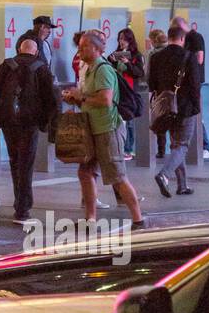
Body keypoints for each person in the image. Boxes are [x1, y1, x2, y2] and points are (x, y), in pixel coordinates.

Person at [61, 30, 143, 226]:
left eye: (84, 47)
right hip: (93, 129)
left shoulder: (103, 69)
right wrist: (77, 100)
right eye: (79, 47)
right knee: (85, 172)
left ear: (97, 49)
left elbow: (105, 100)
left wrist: (80, 97)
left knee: (117, 176)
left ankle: (138, 220)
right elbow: (91, 100)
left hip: (108, 130)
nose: (79, 51)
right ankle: (90, 218)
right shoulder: (89, 70)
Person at [0, 38, 57, 224]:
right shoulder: (41, 67)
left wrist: (3, 115)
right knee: (26, 163)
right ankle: (23, 208)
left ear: (19, 49)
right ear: (35, 52)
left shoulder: (6, 65)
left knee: (14, 161)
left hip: (10, 122)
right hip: (30, 122)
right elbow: (51, 98)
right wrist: (44, 122)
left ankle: (19, 201)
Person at [149, 23, 202, 198]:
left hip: (166, 106)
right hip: (185, 107)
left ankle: (182, 185)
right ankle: (164, 175)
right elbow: (195, 84)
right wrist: (196, 106)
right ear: (182, 38)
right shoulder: (189, 56)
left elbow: (151, 84)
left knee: (175, 145)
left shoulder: (156, 57)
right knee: (182, 145)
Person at [173, 17, 209, 159]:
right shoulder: (185, 39)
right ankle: (196, 146)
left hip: (195, 81)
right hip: (186, 81)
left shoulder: (195, 37)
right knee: (190, 114)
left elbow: (199, 58)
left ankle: (205, 146)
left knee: (196, 114)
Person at [109, 28, 145, 158]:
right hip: (117, 90)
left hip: (129, 90)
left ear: (130, 40)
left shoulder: (136, 55)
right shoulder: (115, 53)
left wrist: (128, 64)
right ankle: (119, 146)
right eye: (120, 39)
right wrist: (113, 61)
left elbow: (139, 73)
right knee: (118, 119)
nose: (121, 41)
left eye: (124, 39)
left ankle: (128, 149)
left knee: (128, 119)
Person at [146, 28, 169, 160]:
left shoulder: (153, 54)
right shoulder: (173, 52)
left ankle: (161, 150)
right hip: (173, 91)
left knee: (160, 120)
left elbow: (148, 74)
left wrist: (150, 88)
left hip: (159, 91)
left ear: (154, 40)